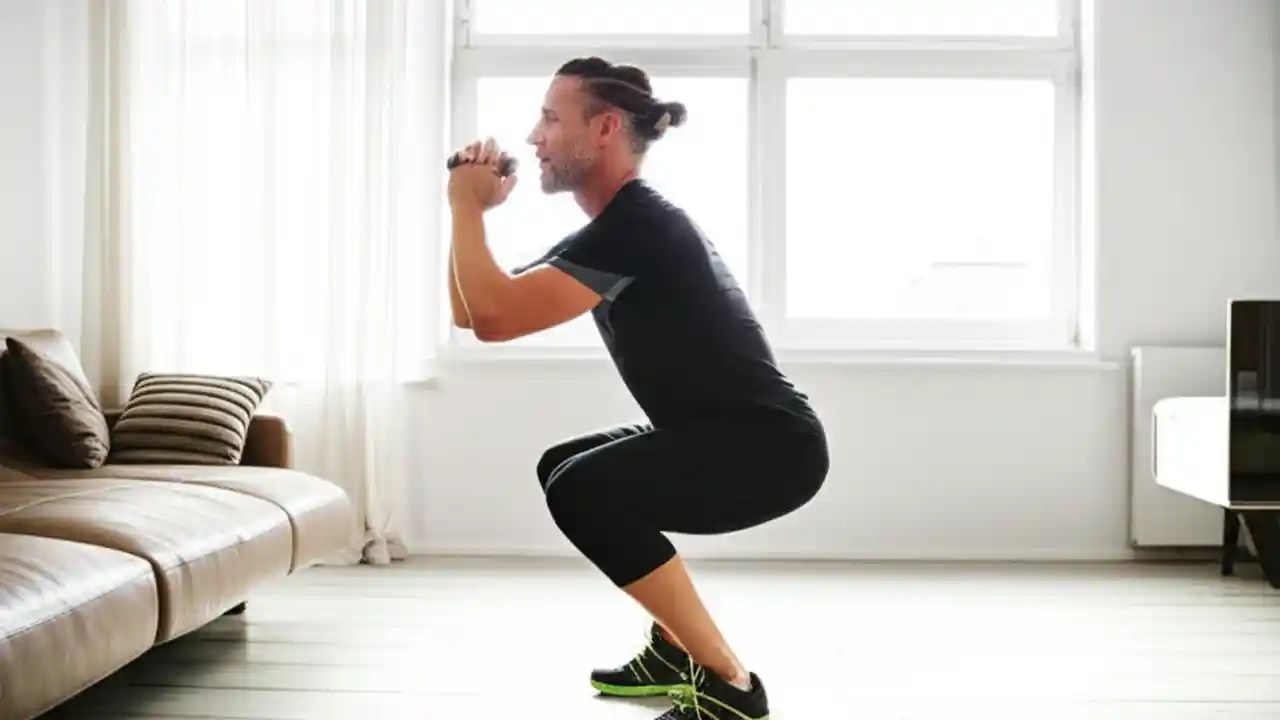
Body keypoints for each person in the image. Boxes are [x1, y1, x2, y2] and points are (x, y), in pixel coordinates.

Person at [446, 56, 828, 720]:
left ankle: (730, 687)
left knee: (583, 488)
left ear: (605, 128)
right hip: (721, 435)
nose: (534, 137)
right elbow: (473, 308)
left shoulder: (639, 226)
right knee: (562, 466)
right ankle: (673, 650)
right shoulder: (615, 230)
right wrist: (466, 210)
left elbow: (494, 318)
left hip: (771, 449)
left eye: (548, 117)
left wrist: (465, 207)